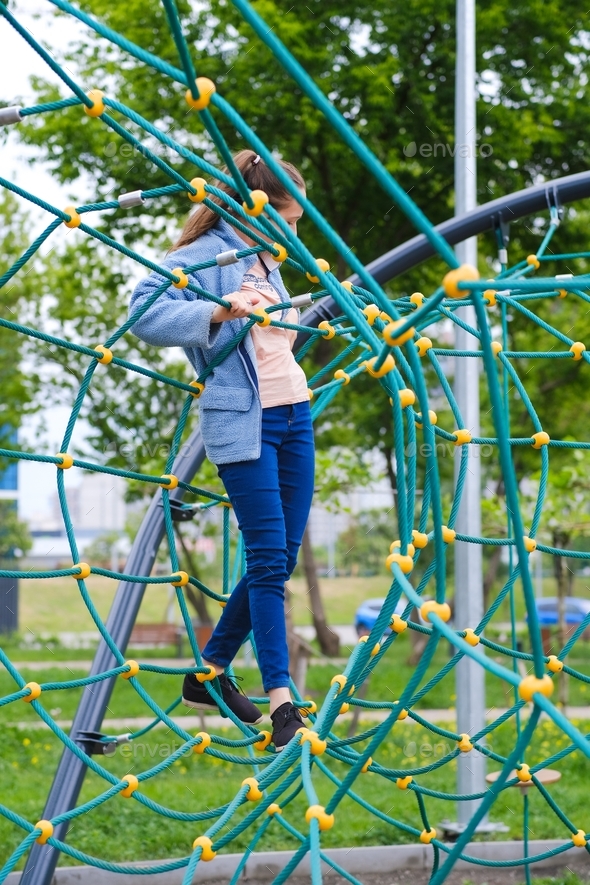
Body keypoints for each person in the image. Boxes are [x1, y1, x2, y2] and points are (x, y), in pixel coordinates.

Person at [128, 149, 315, 751]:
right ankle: (282, 699)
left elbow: (274, 343)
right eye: (287, 219)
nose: (293, 231)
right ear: (255, 211)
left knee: (280, 557)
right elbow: (143, 312)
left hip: (295, 414)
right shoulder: (205, 257)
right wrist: (216, 308)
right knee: (266, 559)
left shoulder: (270, 259)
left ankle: (209, 674)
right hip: (243, 421)